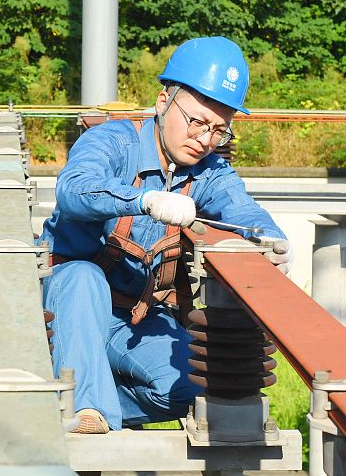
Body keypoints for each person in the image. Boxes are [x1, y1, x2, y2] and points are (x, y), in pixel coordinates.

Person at [40, 36, 288, 435]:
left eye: (219, 131)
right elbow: (73, 191)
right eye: (196, 122)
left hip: (132, 319)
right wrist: (143, 200)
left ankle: (83, 397)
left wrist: (270, 242)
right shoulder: (110, 143)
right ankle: (84, 412)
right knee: (84, 276)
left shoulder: (208, 174)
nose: (205, 139)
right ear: (162, 102)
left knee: (191, 389)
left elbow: (243, 211)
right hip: (65, 307)